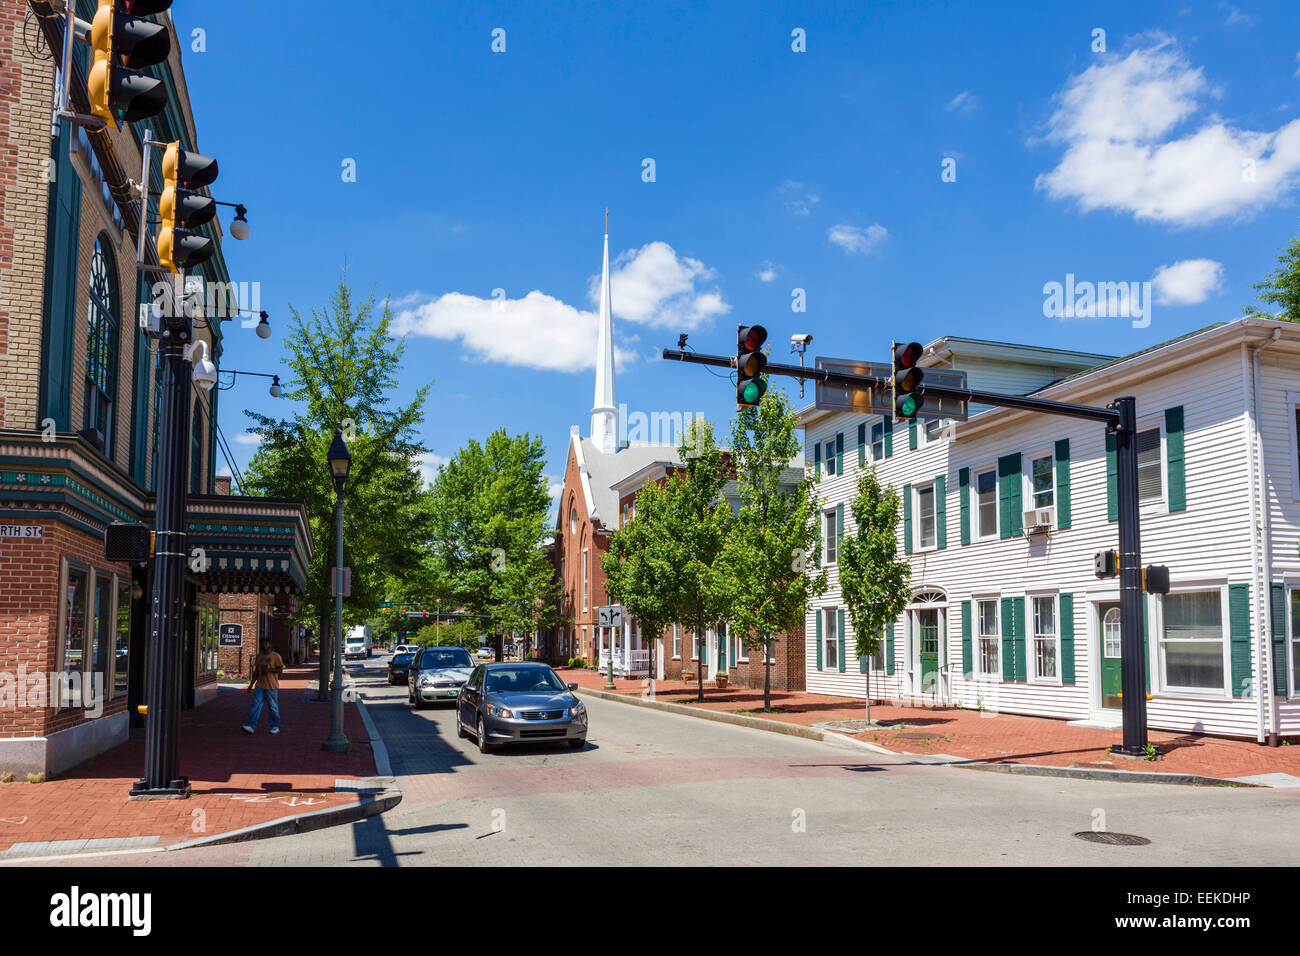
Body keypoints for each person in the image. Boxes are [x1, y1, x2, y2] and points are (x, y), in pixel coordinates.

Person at [242, 638, 284, 735]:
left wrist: (269, 670)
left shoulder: (275, 656)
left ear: (270, 645)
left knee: (273, 707)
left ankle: (275, 726)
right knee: (256, 705)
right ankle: (251, 726)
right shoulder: (259, 656)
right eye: (262, 644)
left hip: (272, 687)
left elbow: (280, 670)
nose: (264, 645)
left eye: (266, 644)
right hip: (259, 686)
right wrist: (251, 684)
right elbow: (256, 672)